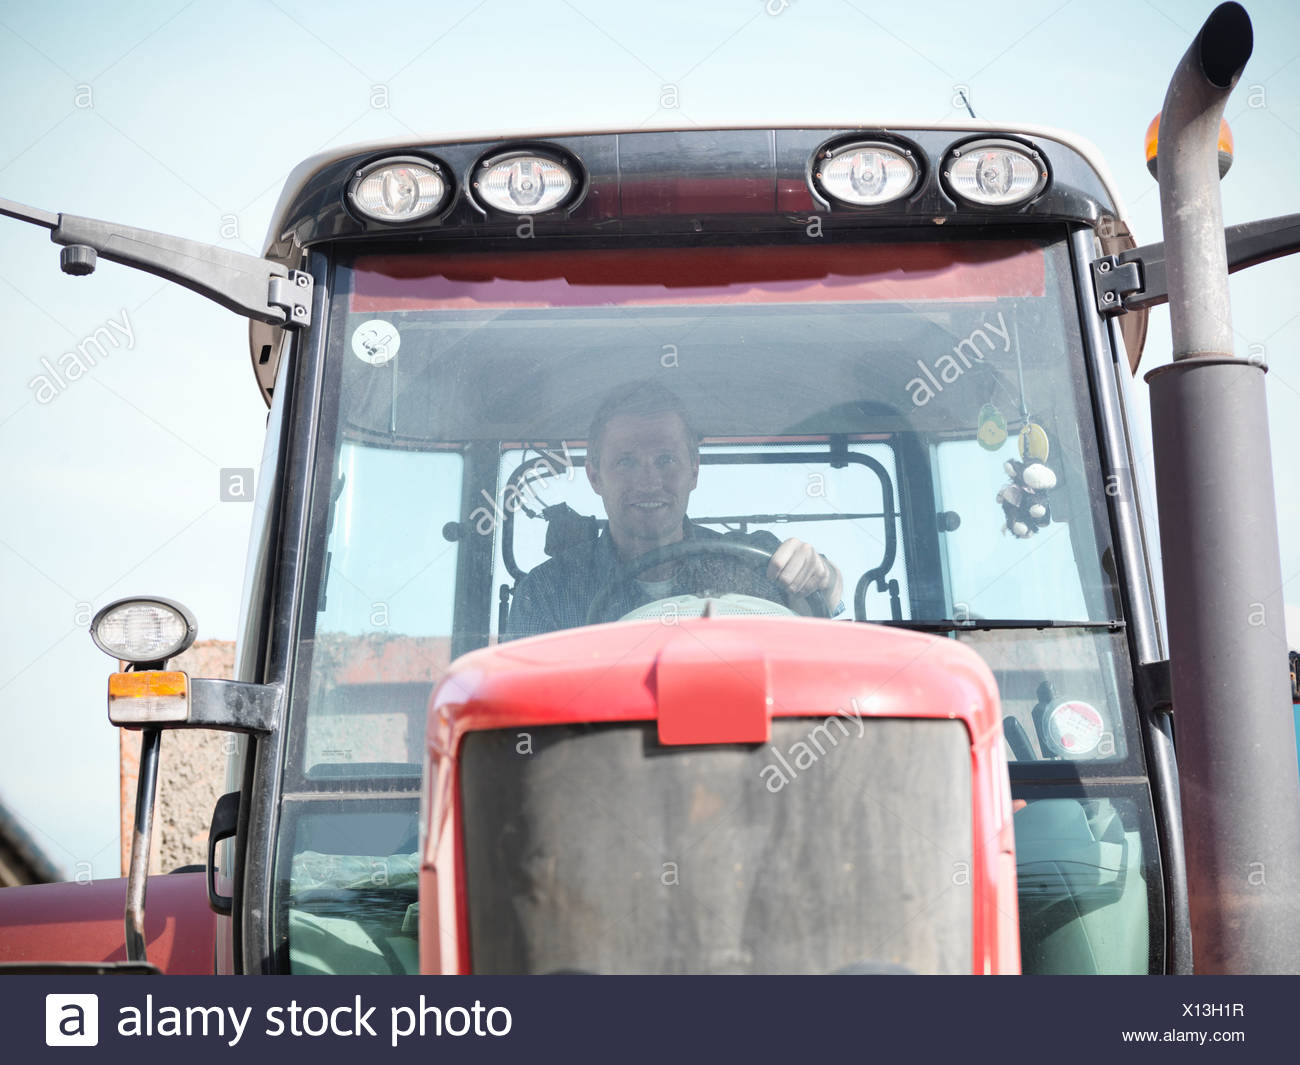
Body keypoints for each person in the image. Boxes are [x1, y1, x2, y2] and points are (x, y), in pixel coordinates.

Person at [504, 381, 844, 639]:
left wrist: (821, 575)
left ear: (694, 469)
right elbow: (529, 710)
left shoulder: (755, 564)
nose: (649, 481)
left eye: (665, 459)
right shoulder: (548, 593)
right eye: (626, 462)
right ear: (595, 476)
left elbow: (823, 608)